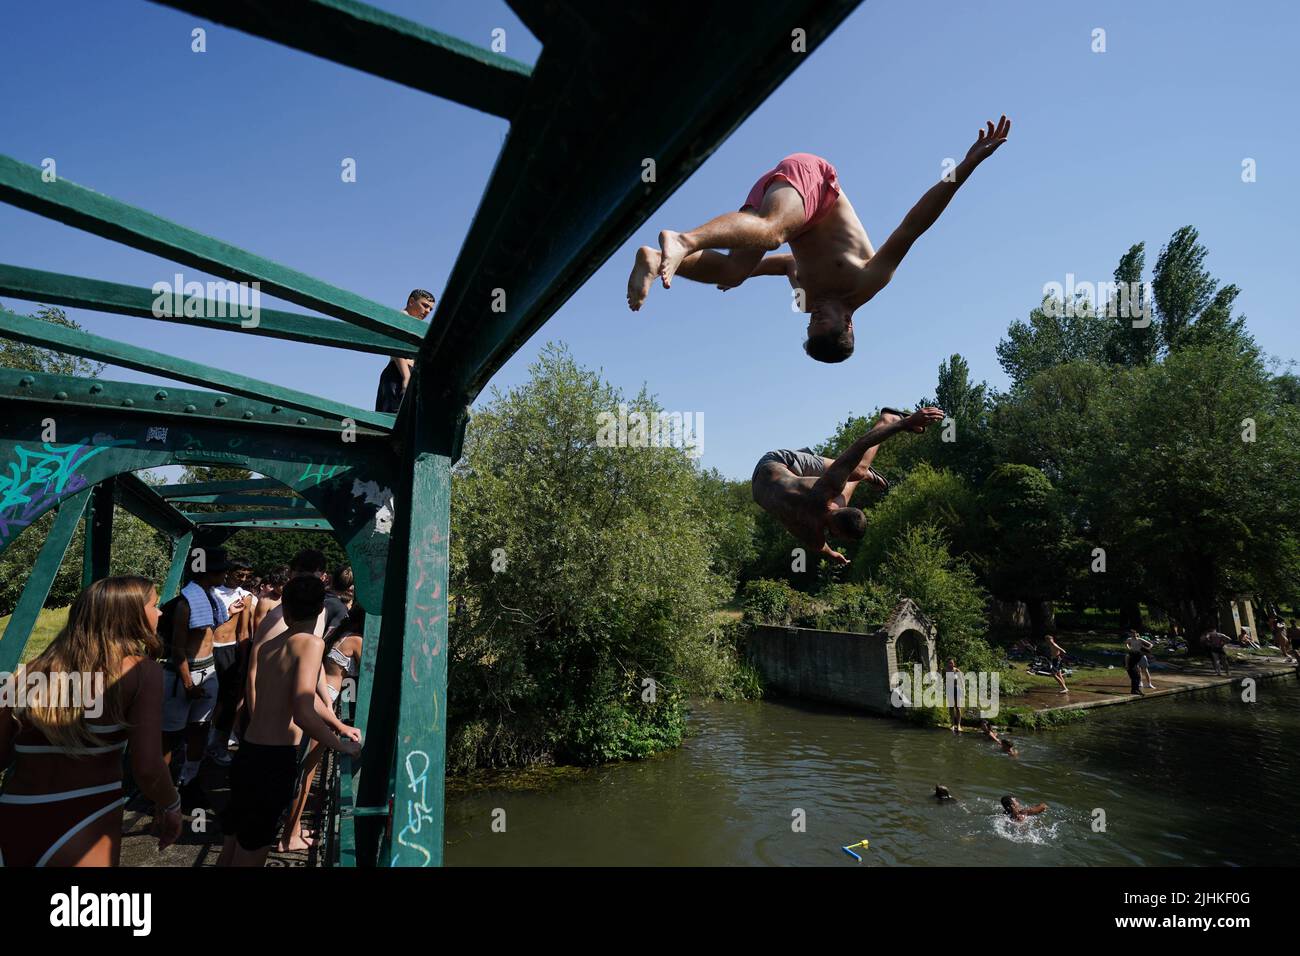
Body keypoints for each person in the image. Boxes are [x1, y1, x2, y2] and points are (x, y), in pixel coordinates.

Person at [627, 117, 1012, 363]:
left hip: (783, 205)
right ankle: (683, 240)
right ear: (848, 324)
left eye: (810, 323)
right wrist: (966, 166)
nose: (812, 314)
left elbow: (786, 265)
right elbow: (914, 225)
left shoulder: (807, 298)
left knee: (732, 270)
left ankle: (655, 259)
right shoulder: (869, 279)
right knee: (773, 233)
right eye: (821, 320)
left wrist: (745, 275)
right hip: (814, 183)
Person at [0, 577, 182, 866]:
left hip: (14, 814)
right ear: (129, 614)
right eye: (154, 604)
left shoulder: (29, 672)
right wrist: (171, 804)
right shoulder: (141, 672)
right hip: (85, 817)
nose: (160, 612)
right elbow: (147, 766)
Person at [217, 577, 361, 867]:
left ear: (286, 610)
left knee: (233, 845)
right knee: (252, 853)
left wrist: (338, 724)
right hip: (273, 761)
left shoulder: (270, 645)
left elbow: (299, 694)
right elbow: (303, 711)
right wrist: (340, 744)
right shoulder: (311, 644)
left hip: (248, 753)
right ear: (320, 609)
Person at [751, 407, 945, 564]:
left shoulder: (823, 496)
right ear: (837, 531)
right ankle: (889, 419)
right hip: (778, 463)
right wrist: (903, 423)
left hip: (772, 474)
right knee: (858, 470)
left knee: (857, 471)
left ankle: (861, 476)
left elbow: (861, 445)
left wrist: (832, 554)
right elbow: (861, 444)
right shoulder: (814, 527)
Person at [278, 603, 365, 852]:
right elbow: (370, 670)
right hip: (322, 707)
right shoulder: (357, 641)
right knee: (306, 774)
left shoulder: (340, 633)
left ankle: (294, 829)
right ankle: (288, 838)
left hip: (322, 699)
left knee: (303, 771)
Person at [162, 547, 233, 793]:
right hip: (184, 676)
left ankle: (189, 778)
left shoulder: (208, 599)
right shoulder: (185, 605)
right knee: (170, 735)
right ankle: (163, 786)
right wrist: (188, 684)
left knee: (200, 728)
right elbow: (177, 649)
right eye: (222, 571)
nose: (225, 575)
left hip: (206, 670)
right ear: (209, 572)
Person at [208, 560, 257, 767]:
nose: (243, 579)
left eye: (247, 576)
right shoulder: (212, 591)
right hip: (209, 648)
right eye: (240, 574)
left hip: (229, 650)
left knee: (227, 698)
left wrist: (243, 661)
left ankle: (218, 744)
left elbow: (243, 631)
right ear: (229, 572)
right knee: (206, 696)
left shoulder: (244, 596)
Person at [375, 289, 434, 412]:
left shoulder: (415, 326)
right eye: (425, 305)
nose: (428, 311)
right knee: (393, 416)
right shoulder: (402, 317)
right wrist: (406, 376)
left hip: (407, 373)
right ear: (411, 301)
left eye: (430, 309)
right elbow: (396, 346)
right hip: (398, 373)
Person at [252, 565, 290, 633]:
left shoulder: (293, 597)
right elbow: (258, 628)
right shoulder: (265, 601)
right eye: (280, 584)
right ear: (273, 584)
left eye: (285, 584)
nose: (282, 587)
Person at [1123, 630, 1152, 695]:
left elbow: (1136, 661)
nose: (1146, 655)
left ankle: (1137, 690)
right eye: (1146, 653)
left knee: (1138, 676)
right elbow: (1127, 656)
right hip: (1128, 664)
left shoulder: (1141, 654)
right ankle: (1134, 691)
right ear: (1144, 652)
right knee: (1134, 677)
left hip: (1133, 664)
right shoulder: (1137, 652)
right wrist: (1127, 665)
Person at [943, 658, 963, 733]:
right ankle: (952, 724)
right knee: (951, 707)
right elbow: (942, 679)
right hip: (949, 689)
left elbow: (962, 680)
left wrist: (963, 689)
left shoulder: (957, 670)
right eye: (949, 663)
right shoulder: (945, 670)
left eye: (952, 663)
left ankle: (959, 725)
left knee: (958, 707)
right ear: (947, 664)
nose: (951, 664)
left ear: (954, 663)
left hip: (957, 688)